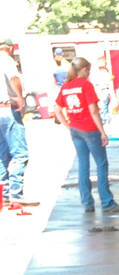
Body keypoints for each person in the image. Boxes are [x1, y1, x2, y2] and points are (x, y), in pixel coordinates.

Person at [54, 57, 119, 214]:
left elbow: (57, 110)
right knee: (101, 164)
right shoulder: (86, 85)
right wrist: (102, 132)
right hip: (90, 129)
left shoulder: (65, 86)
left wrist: (68, 126)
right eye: (88, 70)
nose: (89, 73)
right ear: (84, 70)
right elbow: (93, 110)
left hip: (75, 130)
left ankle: (87, 203)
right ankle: (107, 202)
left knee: (83, 165)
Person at [0, 38, 37, 207]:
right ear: (11, 48)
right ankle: (16, 195)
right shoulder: (6, 59)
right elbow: (14, 78)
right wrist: (20, 98)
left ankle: (5, 194)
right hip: (8, 110)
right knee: (20, 154)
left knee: (2, 155)